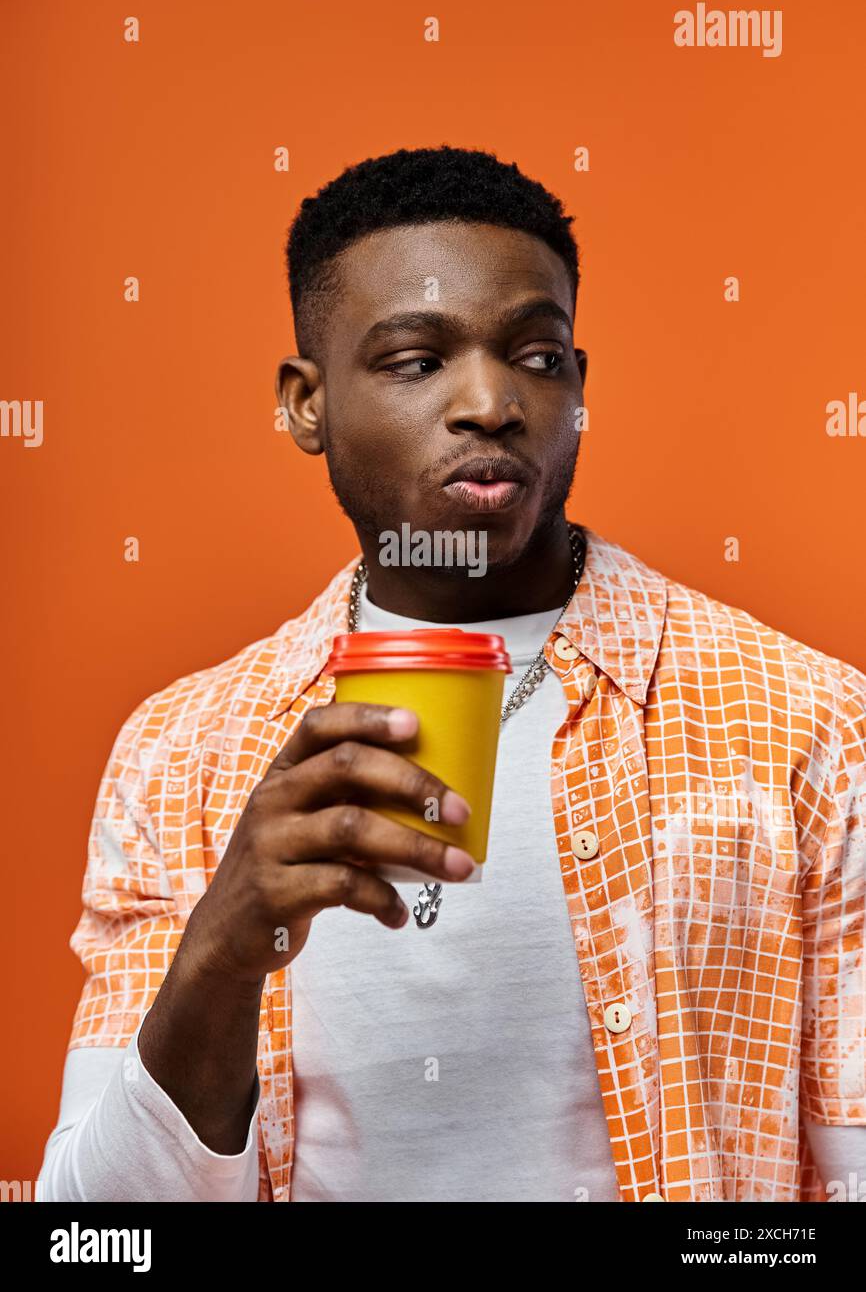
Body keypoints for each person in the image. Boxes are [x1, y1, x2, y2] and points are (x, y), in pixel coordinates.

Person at [38, 146, 866, 1202]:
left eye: (535, 355)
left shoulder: (804, 723)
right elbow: (98, 1236)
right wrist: (220, 951)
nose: (490, 401)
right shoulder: (178, 753)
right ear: (305, 403)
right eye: (416, 360)